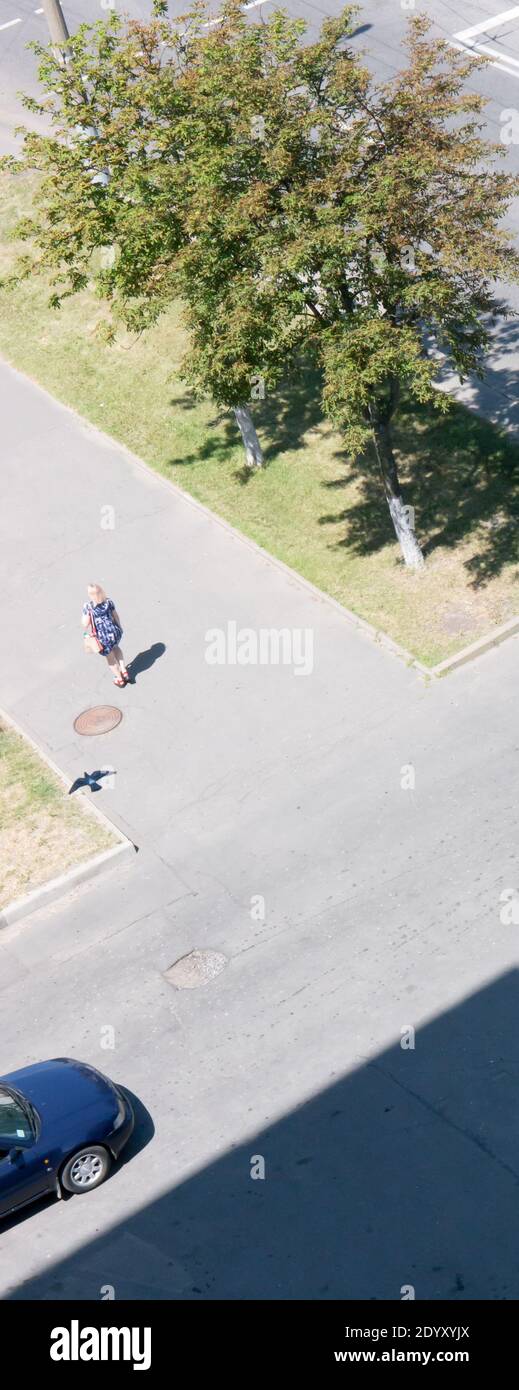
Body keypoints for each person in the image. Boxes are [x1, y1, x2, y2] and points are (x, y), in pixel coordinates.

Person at [82, 583, 130, 687]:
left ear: (90, 594)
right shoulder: (108, 601)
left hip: (102, 638)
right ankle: (123, 669)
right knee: (116, 647)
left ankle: (120, 679)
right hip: (114, 631)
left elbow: (85, 624)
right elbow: (115, 615)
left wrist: (85, 614)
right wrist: (120, 627)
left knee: (111, 659)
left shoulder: (88, 606)